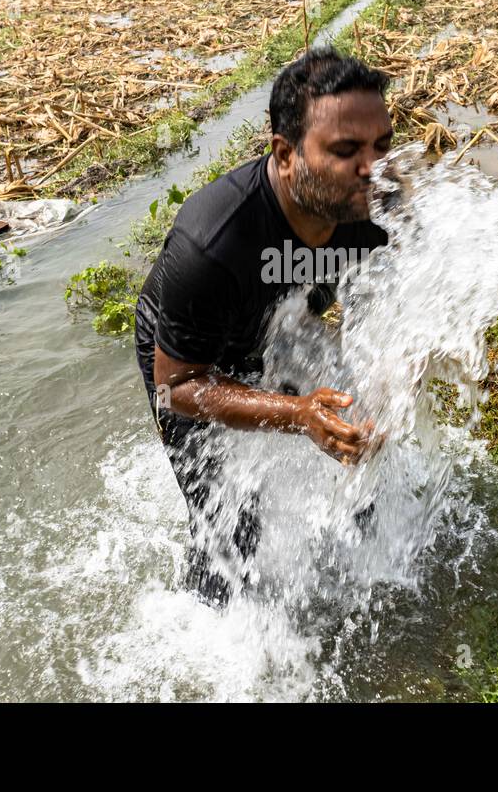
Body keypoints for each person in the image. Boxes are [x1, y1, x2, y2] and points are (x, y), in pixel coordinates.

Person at [134, 46, 394, 607]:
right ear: (285, 154)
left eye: (380, 146)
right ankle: (211, 633)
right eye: (345, 150)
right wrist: (298, 414)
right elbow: (176, 388)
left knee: (362, 453)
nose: (370, 170)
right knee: (230, 527)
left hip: (282, 325)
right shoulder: (213, 240)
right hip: (193, 358)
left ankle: (363, 578)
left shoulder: (370, 204)